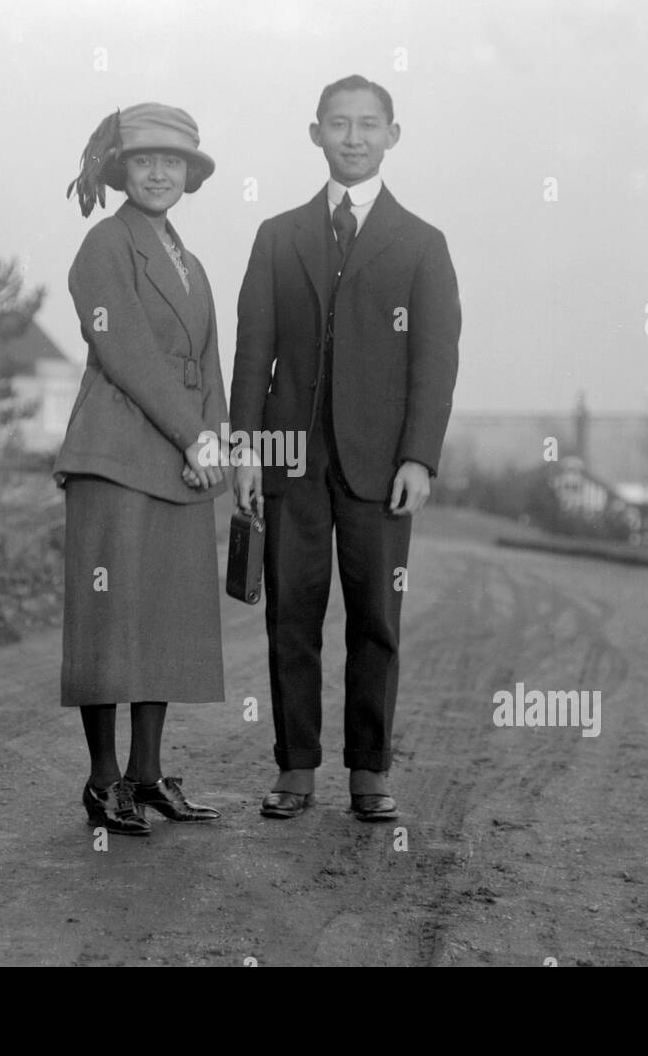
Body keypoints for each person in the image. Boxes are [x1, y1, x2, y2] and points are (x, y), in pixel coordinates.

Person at [230, 75, 462, 822]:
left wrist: (420, 457)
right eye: (339, 124)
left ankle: (371, 772)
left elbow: (435, 361)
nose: (353, 137)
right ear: (315, 134)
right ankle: (294, 767)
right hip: (290, 459)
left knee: (375, 620)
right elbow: (251, 352)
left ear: (393, 134)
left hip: (382, 465)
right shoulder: (278, 236)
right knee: (291, 614)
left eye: (368, 124)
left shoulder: (423, 245)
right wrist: (245, 450)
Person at [55, 103, 227, 836]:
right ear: (120, 169)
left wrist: (216, 441)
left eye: (173, 161)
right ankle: (102, 780)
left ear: (190, 173)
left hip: (179, 456)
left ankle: (147, 773)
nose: (159, 172)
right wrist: (195, 435)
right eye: (144, 159)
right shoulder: (104, 244)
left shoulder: (194, 265)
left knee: (164, 615)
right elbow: (125, 351)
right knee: (109, 617)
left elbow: (209, 364)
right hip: (115, 454)